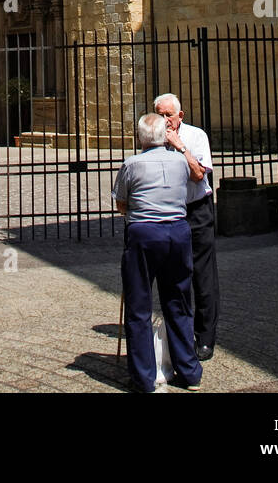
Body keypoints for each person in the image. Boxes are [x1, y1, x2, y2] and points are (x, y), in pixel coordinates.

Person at [112, 112, 204, 393]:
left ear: (140, 138)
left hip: (144, 235)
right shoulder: (179, 161)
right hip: (177, 232)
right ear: (164, 136)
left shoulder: (131, 164)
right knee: (178, 301)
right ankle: (189, 373)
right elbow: (196, 174)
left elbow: (121, 203)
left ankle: (144, 378)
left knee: (139, 308)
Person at [154, 92, 219, 361]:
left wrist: (179, 146)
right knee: (175, 277)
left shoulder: (196, 136)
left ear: (180, 115)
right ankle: (180, 334)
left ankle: (205, 338)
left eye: (168, 115)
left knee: (203, 276)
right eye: (159, 115)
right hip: (170, 214)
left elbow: (199, 174)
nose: (164, 120)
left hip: (197, 211)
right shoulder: (153, 139)